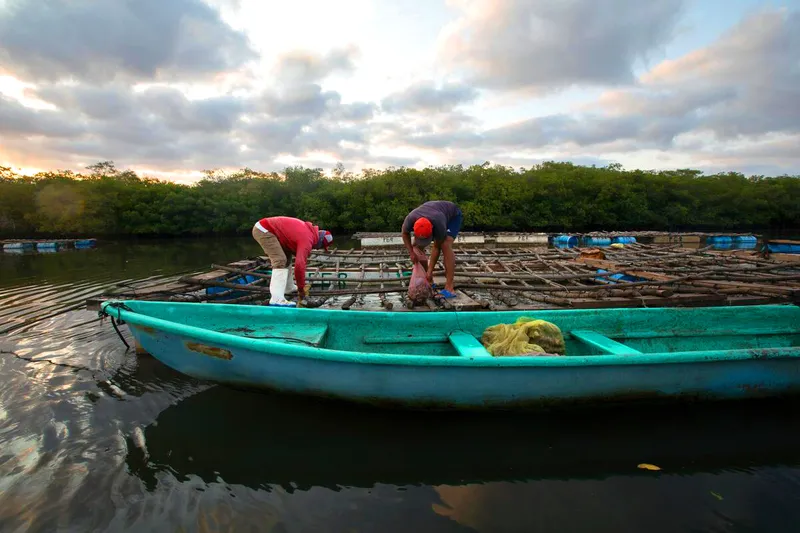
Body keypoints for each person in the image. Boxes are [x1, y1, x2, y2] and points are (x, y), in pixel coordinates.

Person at [251, 216, 333, 307]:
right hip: (264, 230)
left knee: (287, 257)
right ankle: (276, 299)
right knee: (280, 260)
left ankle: (289, 287)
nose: (317, 249)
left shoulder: (309, 233)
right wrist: (301, 289)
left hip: (273, 231)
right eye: (321, 247)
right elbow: (299, 267)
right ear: (320, 242)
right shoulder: (307, 240)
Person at [401, 200, 463, 298]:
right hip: (433, 212)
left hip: (453, 216)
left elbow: (436, 247)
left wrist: (430, 271)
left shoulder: (439, 223)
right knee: (416, 247)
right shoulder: (410, 218)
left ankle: (449, 287)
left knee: (445, 245)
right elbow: (404, 234)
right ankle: (428, 279)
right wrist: (411, 253)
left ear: (432, 229)